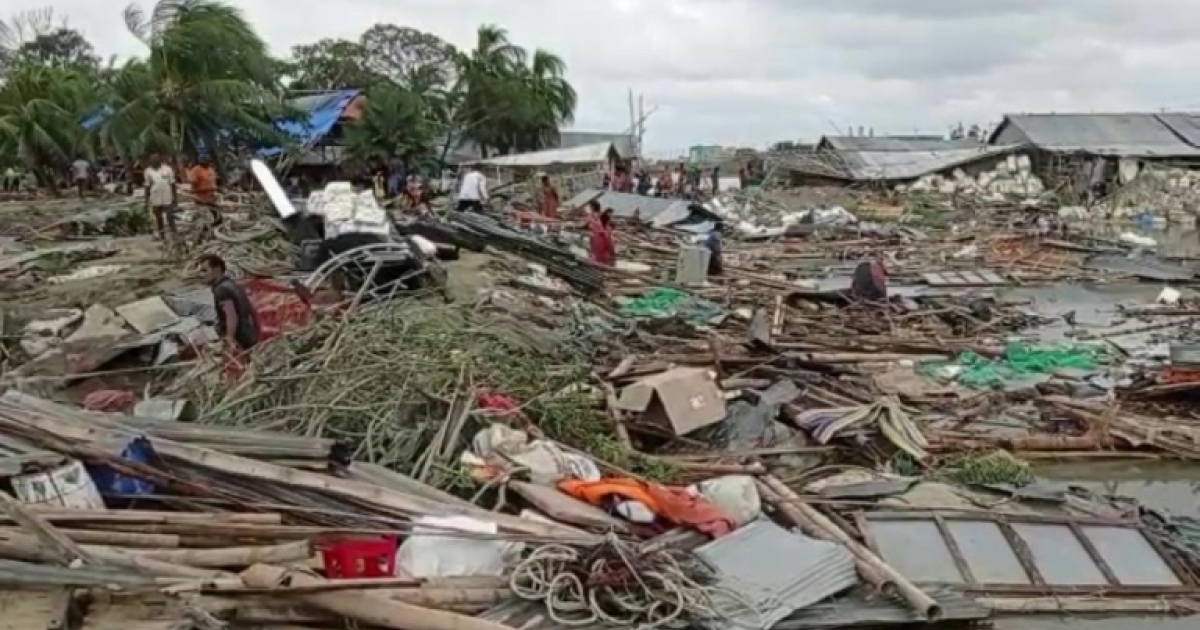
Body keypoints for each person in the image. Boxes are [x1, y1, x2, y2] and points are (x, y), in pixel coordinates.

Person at [202, 254, 260, 353]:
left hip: (241, 338)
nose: (202, 275)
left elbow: (231, 316)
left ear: (217, 269)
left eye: (205, 270)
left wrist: (230, 338)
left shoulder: (221, 290)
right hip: (249, 334)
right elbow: (251, 309)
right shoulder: (233, 285)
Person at [144, 154, 177, 240]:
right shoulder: (148, 171)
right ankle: (162, 235)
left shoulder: (167, 169)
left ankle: (174, 233)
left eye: (156, 159)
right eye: (153, 159)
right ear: (150, 160)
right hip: (155, 196)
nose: (155, 161)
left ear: (160, 159)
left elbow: (172, 183)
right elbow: (147, 186)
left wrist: (175, 197)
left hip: (167, 195)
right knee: (159, 217)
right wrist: (146, 200)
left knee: (170, 215)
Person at [187, 155, 222, 226]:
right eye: (206, 162)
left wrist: (216, 187)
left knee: (217, 214)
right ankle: (204, 229)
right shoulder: (196, 170)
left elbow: (213, 180)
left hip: (210, 197)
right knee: (205, 215)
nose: (208, 163)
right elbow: (193, 186)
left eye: (208, 161)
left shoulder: (210, 169)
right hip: (200, 197)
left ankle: (215, 227)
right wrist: (207, 188)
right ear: (201, 162)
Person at [586, 201, 616, 266]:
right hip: (603, 258)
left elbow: (591, 239)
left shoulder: (595, 227)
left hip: (594, 256)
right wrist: (614, 256)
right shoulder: (606, 231)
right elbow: (610, 244)